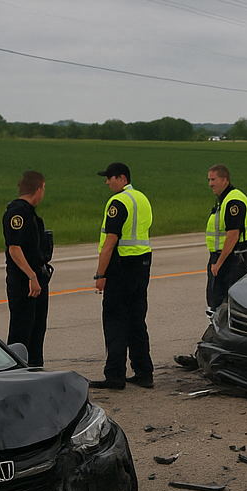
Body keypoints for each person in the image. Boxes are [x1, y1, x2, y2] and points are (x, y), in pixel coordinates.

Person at [175, 164, 247, 369]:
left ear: (224, 180)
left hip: (232, 260)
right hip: (226, 258)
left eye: (213, 180)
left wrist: (218, 263)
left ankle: (221, 356)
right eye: (208, 180)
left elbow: (233, 235)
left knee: (223, 308)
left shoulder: (233, 200)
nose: (210, 184)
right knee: (217, 307)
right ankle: (211, 354)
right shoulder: (224, 200)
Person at [89, 162, 154, 390]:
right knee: (137, 320)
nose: (107, 182)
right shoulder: (142, 198)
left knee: (115, 320)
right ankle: (144, 372)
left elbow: (110, 242)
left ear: (122, 178)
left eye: (110, 177)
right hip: (142, 264)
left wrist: (100, 273)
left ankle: (115, 375)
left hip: (121, 266)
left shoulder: (118, 202)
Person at [3, 170, 52, 367]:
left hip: (37, 280)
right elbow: (14, 249)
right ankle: (16, 372)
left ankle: (35, 370)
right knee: (21, 333)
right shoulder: (17, 213)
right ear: (38, 189)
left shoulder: (30, 214)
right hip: (24, 283)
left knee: (37, 331)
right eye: (44, 189)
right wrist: (31, 277)